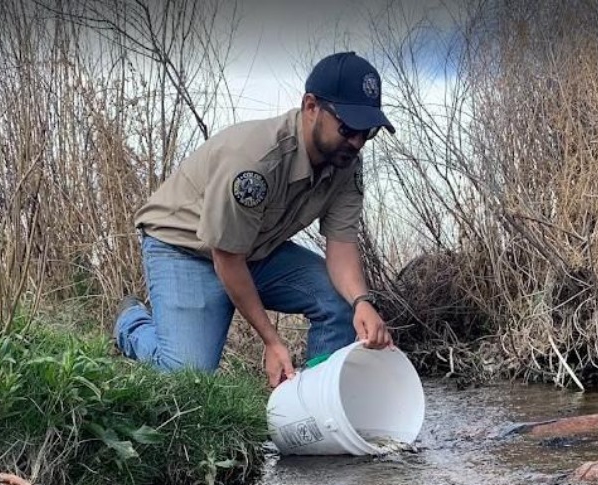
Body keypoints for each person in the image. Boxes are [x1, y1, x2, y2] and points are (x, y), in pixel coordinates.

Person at [114, 51, 395, 388]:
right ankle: (131, 324)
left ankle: (314, 400)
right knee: (187, 377)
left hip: (254, 250)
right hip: (184, 247)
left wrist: (362, 303)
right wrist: (272, 341)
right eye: (348, 128)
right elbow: (226, 258)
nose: (357, 142)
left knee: (340, 300)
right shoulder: (255, 162)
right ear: (311, 107)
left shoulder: (346, 164)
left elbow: (342, 247)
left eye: (368, 131)